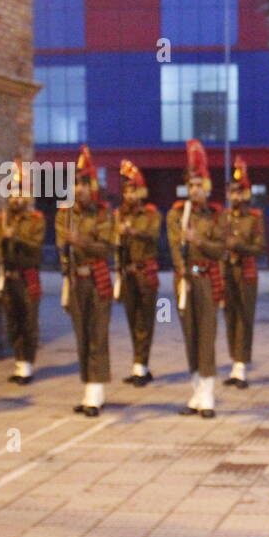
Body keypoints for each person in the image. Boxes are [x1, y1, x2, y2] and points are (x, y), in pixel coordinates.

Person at [167, 139, 227, 418]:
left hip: (207, 278)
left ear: (207, 187)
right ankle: (196, 391)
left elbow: (220, 250)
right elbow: (173, 248)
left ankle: (208, 394)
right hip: (186, 281)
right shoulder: (177, 214)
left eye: (199, 185)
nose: (195, 190)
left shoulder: (216, 215)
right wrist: (181, 274)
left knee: (206, 336)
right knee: (190, 336)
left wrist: (197, 239)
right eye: (191, 185)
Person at [56, 146, 113, 417]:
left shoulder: (103, 214)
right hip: (76, 280)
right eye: (77, 184)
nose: (80, 190)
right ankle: (89, 387)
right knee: (82, 335)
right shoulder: (64, 213)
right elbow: (61, 246)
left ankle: (96, 392)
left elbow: (105, 249)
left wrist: (82, 242)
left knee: (97, 335)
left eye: (85, 184)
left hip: (97, 278)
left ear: (94, 188)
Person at [0, 161, 44, 386]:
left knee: (28, 321)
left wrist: (15, 237)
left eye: (19, 194)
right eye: (12, 194)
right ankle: (18, 361)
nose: (15, 199)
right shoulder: (3, 218)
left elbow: (35, 246)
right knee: (13, 320)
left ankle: (28, 363)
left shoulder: (35, 219)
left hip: (28, 275)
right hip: (10, 276)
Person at [115, 159, 160, 387]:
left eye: (133, 190)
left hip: (146, 273)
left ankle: (141, 366)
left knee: (146, 320)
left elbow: (152, 234)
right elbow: (116, 246)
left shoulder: (150, 213)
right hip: (128, 274)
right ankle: (139, 364)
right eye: (126, 191)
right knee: (133, 321)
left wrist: (132, 230)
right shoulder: (119, 214)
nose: (129, 195)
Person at [223, 157, 265, 387]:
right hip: (226, 272)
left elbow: (260, 247)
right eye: (231, 192)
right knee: (230, 317)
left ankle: (241, 365)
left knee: (244, 318)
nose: (235, 196)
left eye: (239, 192)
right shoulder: (223, 217)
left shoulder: (254, 218)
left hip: (246, 273)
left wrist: (238, 245)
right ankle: (234, 362)